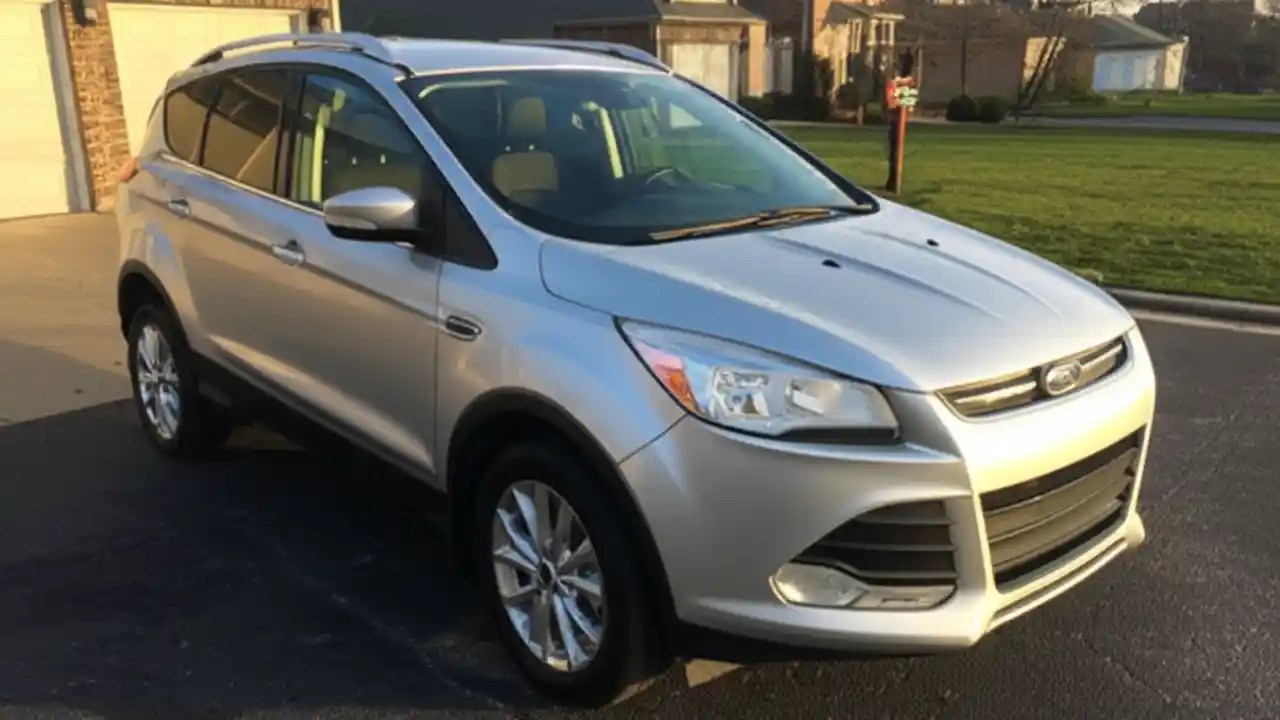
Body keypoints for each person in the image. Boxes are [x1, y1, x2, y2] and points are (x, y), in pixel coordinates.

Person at [883, 50, 916, 192]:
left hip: (896, 119)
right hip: (897, 119)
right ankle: (893, 179)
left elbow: (893, 102)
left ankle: (894, 180)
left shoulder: (900, 83)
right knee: (894, 151)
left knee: (894, 151)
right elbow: (908, 105)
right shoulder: (908, 83)